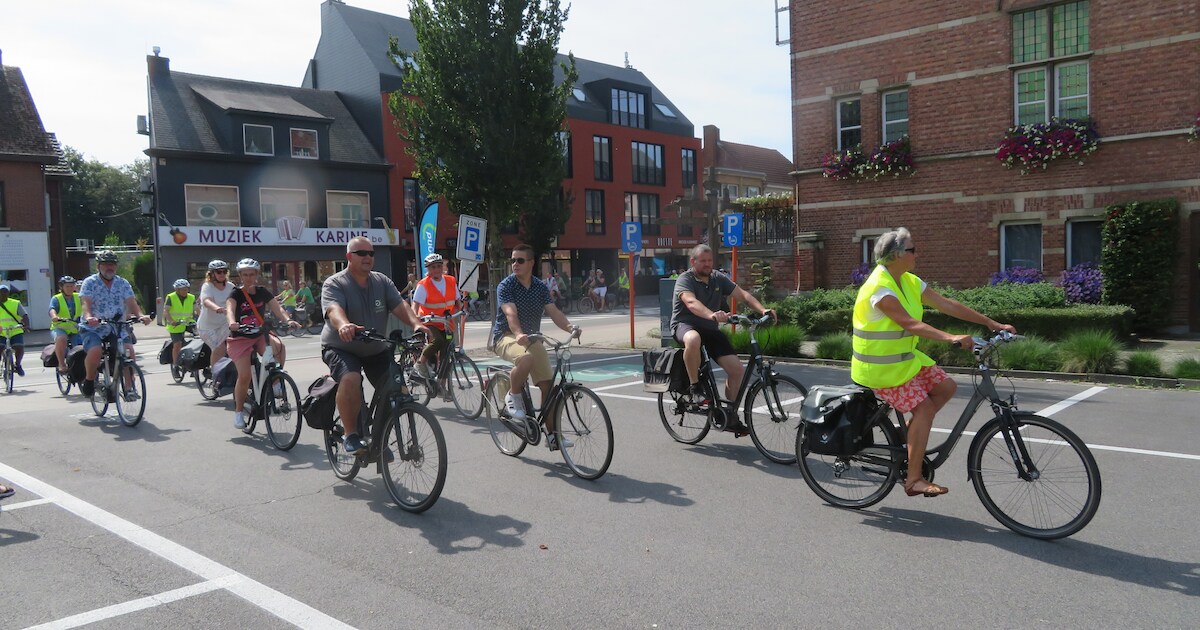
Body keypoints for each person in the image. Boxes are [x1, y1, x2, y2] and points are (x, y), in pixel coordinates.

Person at [851, 228, 1016, 498]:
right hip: (880, 366)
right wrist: (951, 337)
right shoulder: (879, 288)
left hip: (904, 359)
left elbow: (947, 304)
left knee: (946, 387)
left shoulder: (908, 281)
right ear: (897, 255)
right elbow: (910, 323)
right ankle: (914, 479)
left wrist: (991, 323)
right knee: (925, 410)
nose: (918, 253)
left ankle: (910, 437)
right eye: (913, 249)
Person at [322, 236, 428, 455]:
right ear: (349, 257)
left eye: (371, 253)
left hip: (375, 346)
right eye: (362, 253)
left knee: (397, 387)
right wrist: (344, 325)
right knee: (351, 378)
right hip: (342, 347)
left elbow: (400, 306)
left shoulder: (382, 281)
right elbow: (333, 310)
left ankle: (381, 434)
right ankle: (351, 435)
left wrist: (417, 325)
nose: (368, 257)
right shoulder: (335, 283)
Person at [671, 244, 775, 436]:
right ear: (693, 262)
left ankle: (730, 415)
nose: (707, 264)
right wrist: (712, 315)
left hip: (710, 329)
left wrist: (763, 310)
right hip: (686, 325)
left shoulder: (718, 278)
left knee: (737, 370)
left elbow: (742, 294)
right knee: (693, 339)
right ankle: (695, 387)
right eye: (703, 261)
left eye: (710, 260)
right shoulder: (685, 279)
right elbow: (691, 302)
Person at [491, 243, 580, 451]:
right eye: (512, 260)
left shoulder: (540, 287)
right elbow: (510, 313)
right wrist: (519, 333)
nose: (515, 264)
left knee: (548, 388)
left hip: (532, 338)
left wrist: (570, 328)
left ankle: (553, 437)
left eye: (520, 260)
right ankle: (513, 396)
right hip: (506, 336)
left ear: (531, 263)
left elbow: (554, 311)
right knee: (526, 359)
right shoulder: (506, 285)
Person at [226, 258, 298, 430]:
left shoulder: (262, 292)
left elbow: (278, 308)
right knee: (245, 376)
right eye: (245, 275)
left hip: (258, 334)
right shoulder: (235, 294)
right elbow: (229, 309)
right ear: (240, 276)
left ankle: (275, 381)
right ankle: (238, 413)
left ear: (257, 275)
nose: (248, 278)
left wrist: (288, 320)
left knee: (279, 347)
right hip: (239, 338)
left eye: (251, 274)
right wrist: (232, 322)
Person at [78, 250, 152, 398]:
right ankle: (89, 380)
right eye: (106, 264)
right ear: (99, 266)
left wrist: (140, 316)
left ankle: (130, 388)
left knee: (128, 350)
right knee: (95, 351)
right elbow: (86, 303)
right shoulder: (90, 282)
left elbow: (132, 302)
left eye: (112, 264)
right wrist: (89, 317)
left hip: (117, 326)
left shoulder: (122, 283)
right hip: (94, 327)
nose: (109, 267)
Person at [411, 253, 459, 379]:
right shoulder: (423, 285)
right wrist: (415, 317)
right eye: (433, 267)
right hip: (429, 322)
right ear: (428, 269)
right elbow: (415, 305)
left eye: (438, 266)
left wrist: (463, 309)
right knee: (438, 341)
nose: (436, 270)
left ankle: (442, 386)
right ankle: (420, 363)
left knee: (446, 353)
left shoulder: (451, 280)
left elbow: (457, 300)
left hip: (446, 322)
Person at [197, 260, 234, 367]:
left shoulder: (230, 286)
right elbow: (206, 301)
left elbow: (238, 299)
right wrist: (218, 308)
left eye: (224, 271)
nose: (222, 274)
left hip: (224, 324)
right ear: (212, 274)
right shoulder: (207, 286)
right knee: (220, 348)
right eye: (218, 272)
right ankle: (215, 375)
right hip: (207, 327)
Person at [48, 276, 82, 374]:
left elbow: (87, 306)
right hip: (60, 327)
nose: (70, 288)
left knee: (81, 347)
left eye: (72, 286)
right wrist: (54, 316)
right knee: (61, 339)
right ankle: (61, 364)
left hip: (76, 328)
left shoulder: (79, 296)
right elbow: (52, 309)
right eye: (67, 286)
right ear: (62, 287)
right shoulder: (56, 298)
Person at [164, 278, 198, 366]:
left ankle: (195, 361)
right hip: (176, 325)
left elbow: (197, 310)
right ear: (177, 290)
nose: (185, 291)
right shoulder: (171, 297)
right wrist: (171, 321)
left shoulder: (191, 297)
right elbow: (166, 311)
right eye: (183, 289)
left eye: (187, 289)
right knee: (177, 344)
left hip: (188, 322)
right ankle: (176, 365)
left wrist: (202, 320)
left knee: (199, 338)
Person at [0, 283, 31, 376]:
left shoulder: (15, 303)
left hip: (15, 330)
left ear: (8, 293)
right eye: (1, 292)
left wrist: (26, 325)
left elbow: (24, 316)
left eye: (5, 292)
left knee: (19, 348)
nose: (3, 294)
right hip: (1, 332)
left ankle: (17, 364)